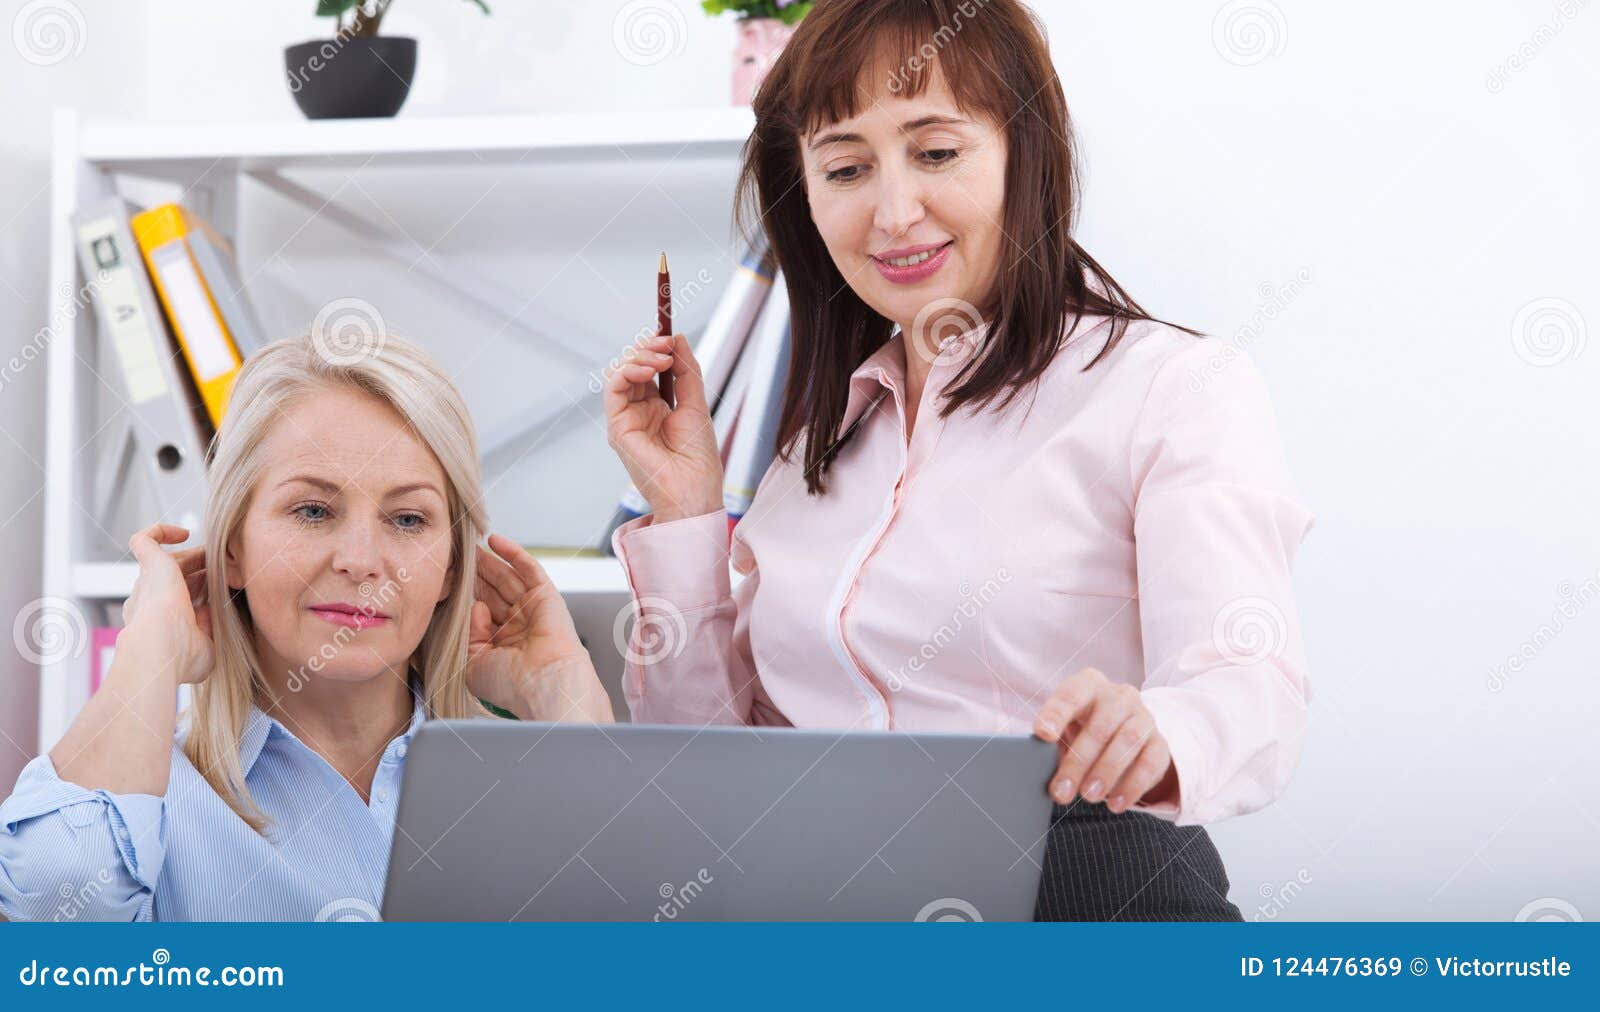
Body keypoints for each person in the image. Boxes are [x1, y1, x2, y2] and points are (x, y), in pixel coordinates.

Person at [602, 0, 1316, 920]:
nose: (895, 212)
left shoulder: (1170, 388)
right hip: (819, 911)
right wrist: (687, 514)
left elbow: (1249, 682)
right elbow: (704, 771)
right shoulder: (813, 447)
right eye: (847, 167)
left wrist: (1156, 730)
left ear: (1027, 154)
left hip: (1080, 895)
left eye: (936, 152)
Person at [0, 333, 610, 921]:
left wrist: (561, 692)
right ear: (231, 545)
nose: (362, 560)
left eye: (406, 519)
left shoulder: (530, 790)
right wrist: (150, 649)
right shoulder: (145, 799)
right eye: (313, 510)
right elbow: (52, 934)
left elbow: (650, 967)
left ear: (453, 566)